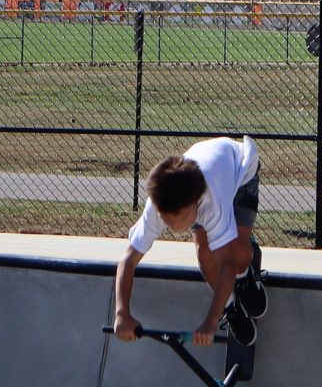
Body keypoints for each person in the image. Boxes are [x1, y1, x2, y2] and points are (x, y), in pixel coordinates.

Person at [111, 135, 268, 348]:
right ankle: (231, 306)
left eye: (182, 220)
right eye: (168, 220)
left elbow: (227, 265)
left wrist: (210, 322)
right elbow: (127, 261)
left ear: (195, 204)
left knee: (237, 252)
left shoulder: (213, 201)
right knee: (204, 254)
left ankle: (246, 276)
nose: (175, 228)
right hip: (202, 179)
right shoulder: (158, 206)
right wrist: (121, 313)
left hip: (240, 170)